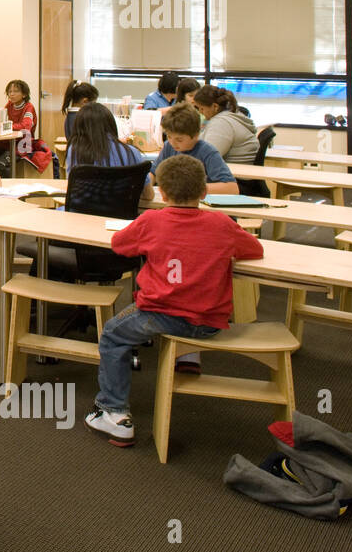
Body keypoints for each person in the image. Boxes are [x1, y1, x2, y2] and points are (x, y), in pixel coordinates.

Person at [85, 154, 264, 446]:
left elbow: (119, 244)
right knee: (188, 306)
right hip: (209, 321)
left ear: (164, 194)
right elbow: (254, 249)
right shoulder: (222, 223)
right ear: (204, 192)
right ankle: (189, 355)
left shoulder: (152, 220)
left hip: (161, 314)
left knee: (113, 335)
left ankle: (113, 412)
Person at [65, 102, 154, 202]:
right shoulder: (132, 153)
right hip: (121, 211)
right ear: (111, 124)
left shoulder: (74, 152)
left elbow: (73, 190)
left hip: (82, 210)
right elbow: (149, 195)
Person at [152, 103, 238, 194]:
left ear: (196, 135)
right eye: (169, 137)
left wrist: (189, 189)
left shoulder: (207, 152)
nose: (172, 143)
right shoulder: (168, 147)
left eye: (179, 139)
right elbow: (153, 173)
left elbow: (232, 188)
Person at [192, 85, 259, 165]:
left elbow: (208, 156)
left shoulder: (221, 123)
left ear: (215, 107)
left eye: (202, 108)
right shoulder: (232, 115)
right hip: (236, 168)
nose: (200, 112)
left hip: (233, 170)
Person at [0, 79, 51, 175]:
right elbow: (2, 120)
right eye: (9, 91)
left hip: (23, 145)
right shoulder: (10, 105)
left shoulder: (28, 107)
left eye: (15, 91)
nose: (11, 94)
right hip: (9, 142)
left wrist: (7, 126)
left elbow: (25, 126)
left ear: (24, 94)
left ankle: (10, 183)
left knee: (0, 165)